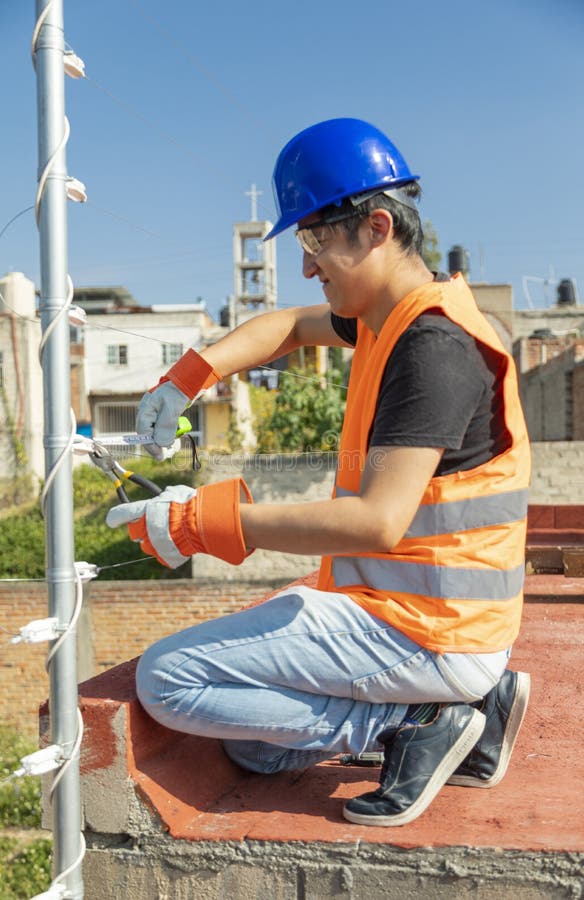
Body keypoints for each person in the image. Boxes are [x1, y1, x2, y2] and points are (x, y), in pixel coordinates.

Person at [107, 118, 531, 827]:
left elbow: (376, 521)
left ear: (375, 227)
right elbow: (285, 327)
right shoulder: (385, 315)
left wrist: (200, 522)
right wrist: (187, 376)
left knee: (169, 680)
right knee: (258, 748)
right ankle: (463, 710)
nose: (306, 265)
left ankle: (412, 723)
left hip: (428, 631)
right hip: (428, 623)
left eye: (313, 241)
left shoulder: (433, 346)